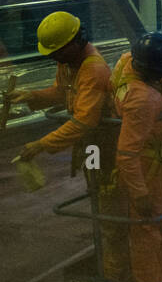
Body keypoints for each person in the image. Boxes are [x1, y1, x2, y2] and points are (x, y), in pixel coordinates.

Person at [98, 33, 162, 282]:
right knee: (146, 229)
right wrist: (140, 193)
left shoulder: (128, 61)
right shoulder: (142, 100)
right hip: (145, 167)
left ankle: (160, 275)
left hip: (147, 161)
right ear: (152, 70)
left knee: (148, 226)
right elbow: (126, 154)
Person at [11, 12, 111, 174]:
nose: (55, 58)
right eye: (52, 53)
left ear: (75, 42)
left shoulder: (93, 70)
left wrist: (41, 144)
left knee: (106, 181)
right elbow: (63, 92)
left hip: (105, 137)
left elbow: (84, 122)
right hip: (91, 137)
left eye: (58, 52)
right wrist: (32, 96)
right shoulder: (69, 60)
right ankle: (97, 193)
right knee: (94, 178)